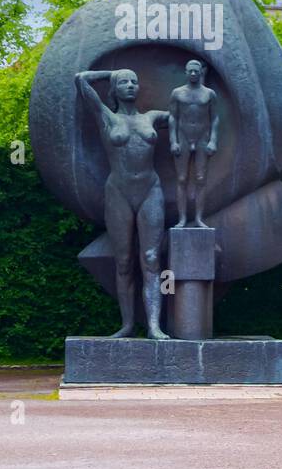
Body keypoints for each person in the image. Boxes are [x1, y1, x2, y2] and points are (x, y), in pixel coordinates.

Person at [75, 68, 170, 339]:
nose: (130, 85)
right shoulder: (106, 116)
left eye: (133, 81)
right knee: (124, 261)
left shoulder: (152, 117)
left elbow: (185, 116)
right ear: (114, 89)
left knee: (151, 258)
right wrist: (111, 72)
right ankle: (127, 325)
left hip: (150, 190)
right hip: (119, 192)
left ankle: (154, 326)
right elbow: (80, 80)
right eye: (123, 82)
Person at [168, 59, 219, 228]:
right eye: (190, 71)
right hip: (183, 137)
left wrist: (213, 140)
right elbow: (173, 117)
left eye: (196, 71)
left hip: (202, 138)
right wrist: (173, 141)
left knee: (201, 178)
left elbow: (215, 118)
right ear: (185, 72)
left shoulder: (209, 94)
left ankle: (199, 218)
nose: (193, 74)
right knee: (182, 179)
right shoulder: (177, 93)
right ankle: (182, 219)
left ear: (200, 72)